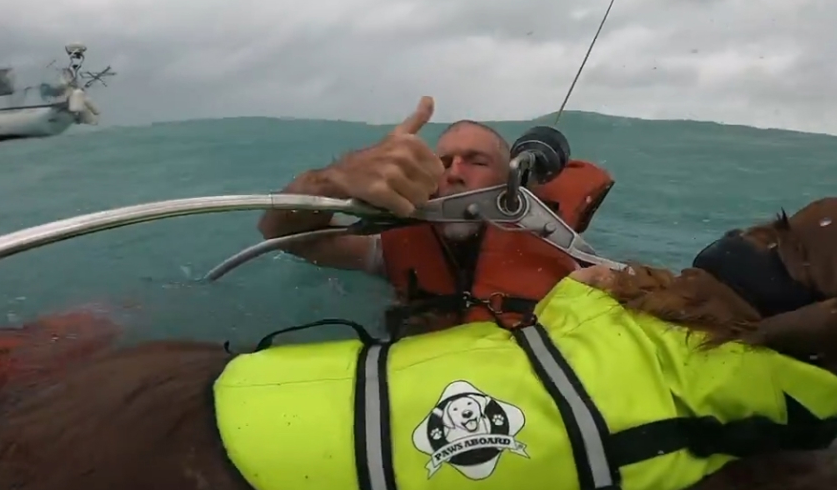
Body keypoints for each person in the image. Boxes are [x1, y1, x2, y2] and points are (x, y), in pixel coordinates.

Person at [258, 96, 616, 337]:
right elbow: (280, 235)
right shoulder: (390, 248)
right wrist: (335, 179)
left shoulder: (569, 258)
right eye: (442, 163)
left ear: (515, 179)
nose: (454, 173)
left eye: (476, 161)